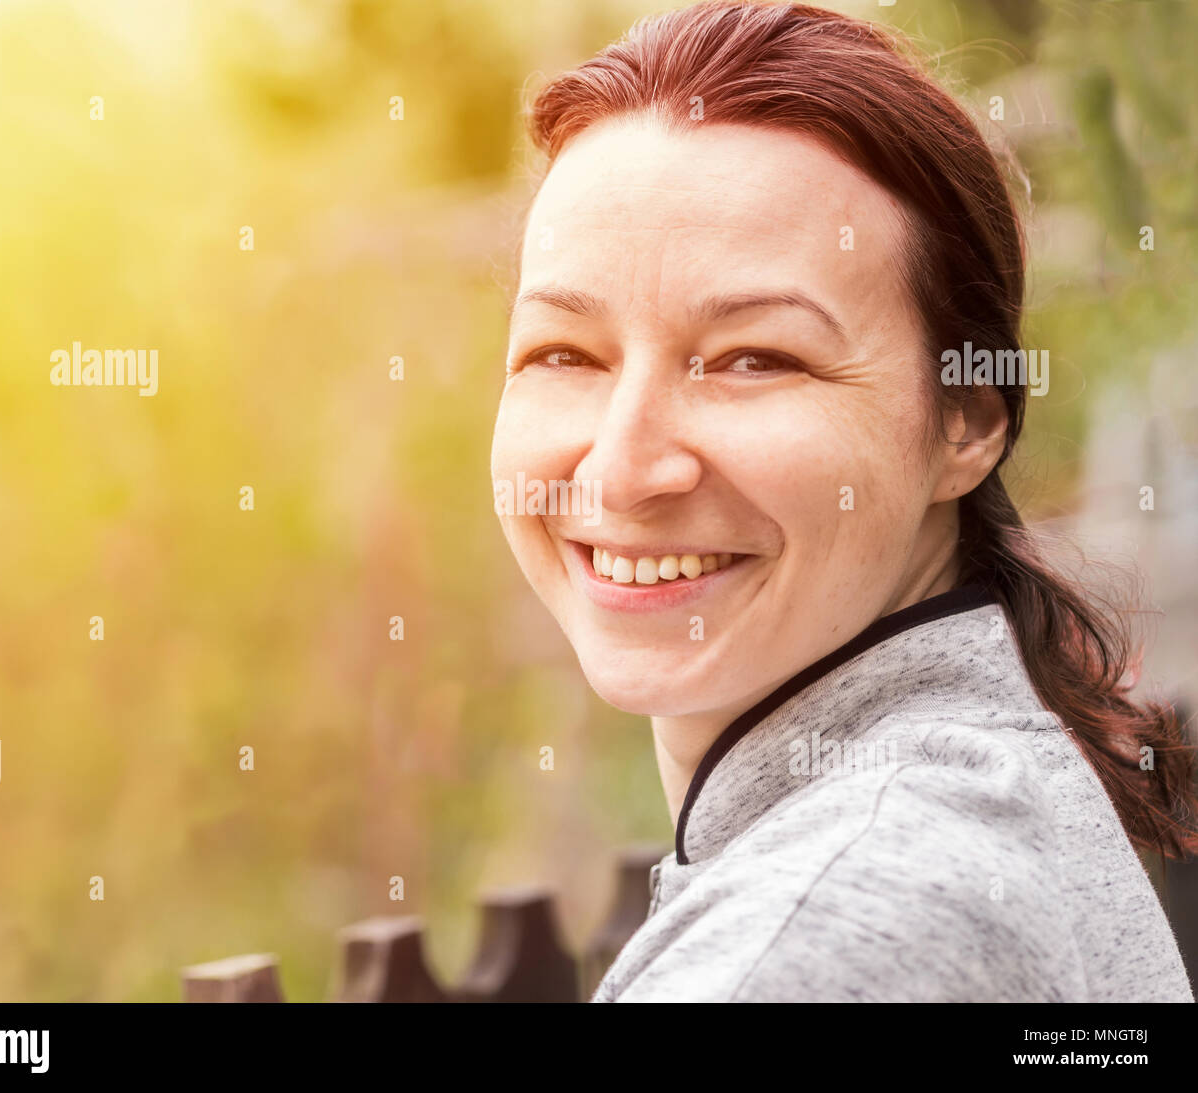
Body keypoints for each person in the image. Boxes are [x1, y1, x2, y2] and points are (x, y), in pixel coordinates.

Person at [490, 0, 1196, 1001]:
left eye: (752, 357)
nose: (618, 470)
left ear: (965, 421)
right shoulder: (980, 790)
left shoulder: (801, 946)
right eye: (564, 351)